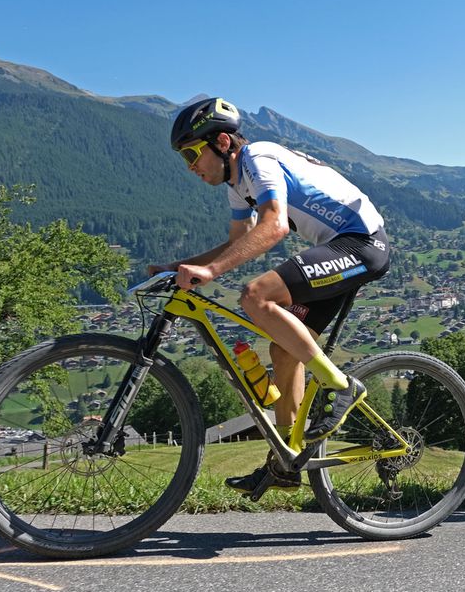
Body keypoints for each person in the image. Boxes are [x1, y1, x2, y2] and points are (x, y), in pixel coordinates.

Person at [152, 98, 390, 495]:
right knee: (283, 351)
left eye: (193, 154)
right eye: (184, 159)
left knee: (255, 295)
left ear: (223, 142)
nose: (191, 166)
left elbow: (274, 225)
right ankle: (287, 460)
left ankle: (340, 385)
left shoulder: (258, 160)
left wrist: (211, 273)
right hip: (340, 246)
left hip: (361, 244)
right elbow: (238, 242)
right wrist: (178, 266)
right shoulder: (237, 184)